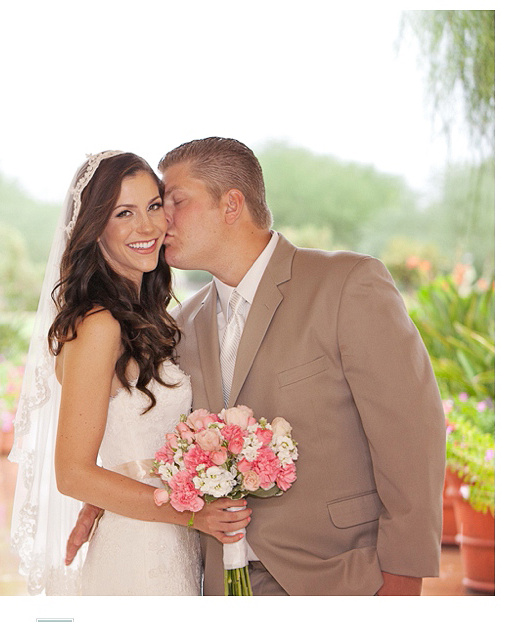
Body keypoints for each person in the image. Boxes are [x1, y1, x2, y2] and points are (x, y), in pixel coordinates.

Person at [66, 137, 446, 596]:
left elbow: (411, 432)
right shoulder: (180, 326)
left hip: (341, 577)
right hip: (217, 583)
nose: (162, 220)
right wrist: (110, 496)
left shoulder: (347, 285)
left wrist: (405, 578)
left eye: (173, 202)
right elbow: (158, 432)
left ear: (231, 205)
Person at [8, 150, 251, 595]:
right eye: (124, 213)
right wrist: (192, 515)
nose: (147, 227)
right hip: (140, 546)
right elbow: (74, 473)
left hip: (167, 533)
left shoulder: (148, 316)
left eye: (154, 206)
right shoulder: (98, 325)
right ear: (96, 228)